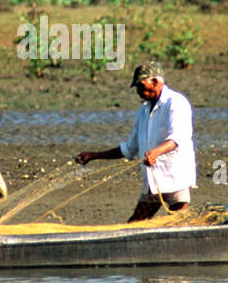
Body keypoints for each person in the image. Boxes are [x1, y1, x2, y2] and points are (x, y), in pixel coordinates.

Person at [75, 61, 196, 222]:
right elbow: (129, 149)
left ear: (155, 82)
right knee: (134, 224)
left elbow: (178, 137)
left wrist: (156, 152)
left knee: (177, 224)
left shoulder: (175, 103)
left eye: (140, 86)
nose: (138, 91)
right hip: (153, 182)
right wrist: (94, 156)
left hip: (175, 177)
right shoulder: (143, 111)